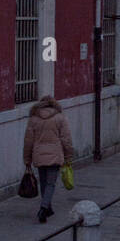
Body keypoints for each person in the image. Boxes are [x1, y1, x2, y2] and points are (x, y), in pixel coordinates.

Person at [22, 95, 75, 223]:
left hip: (39, 155)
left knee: (43, 182)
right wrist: (68, 156)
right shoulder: (60, 118)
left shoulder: (33, 119)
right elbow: (66, 139)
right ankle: (44, 208)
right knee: (51, 183)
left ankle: (48, 207)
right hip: (55, 154)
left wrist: (27, 159)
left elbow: (28, 141)